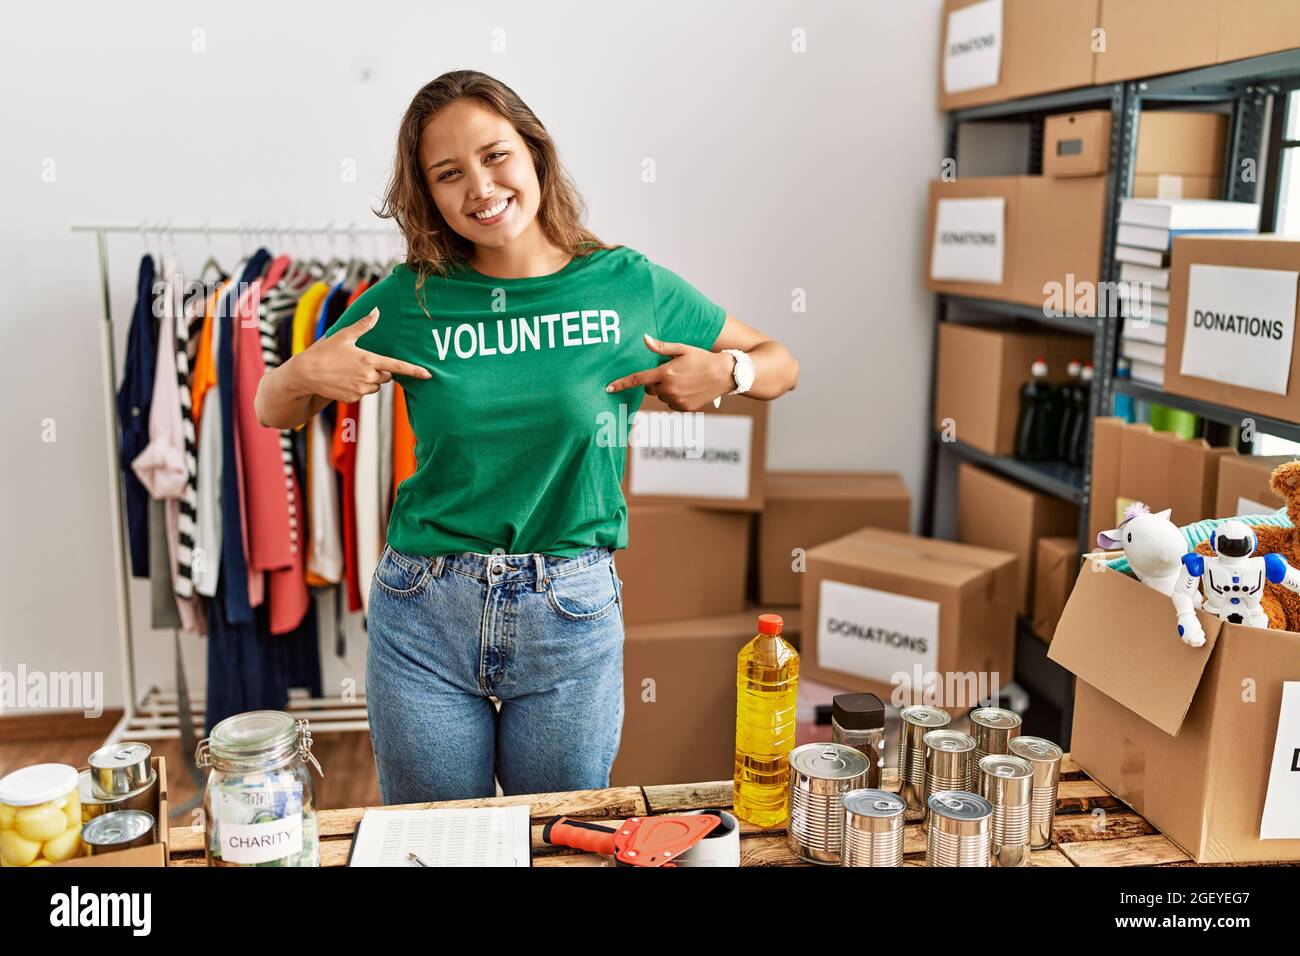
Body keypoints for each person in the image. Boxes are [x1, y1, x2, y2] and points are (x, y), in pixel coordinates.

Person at [255, 69, 799, 804]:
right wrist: (304, 372)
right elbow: (270, 409)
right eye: (449, 174)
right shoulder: (412, 298)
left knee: (561, 840)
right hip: (424, 609)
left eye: (494, 155)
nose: (478, 187)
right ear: (430, 195)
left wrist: (725, 372)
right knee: (435, 847)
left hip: (569, 613)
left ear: (535, 152)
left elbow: (780, 363)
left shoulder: (626, 285)